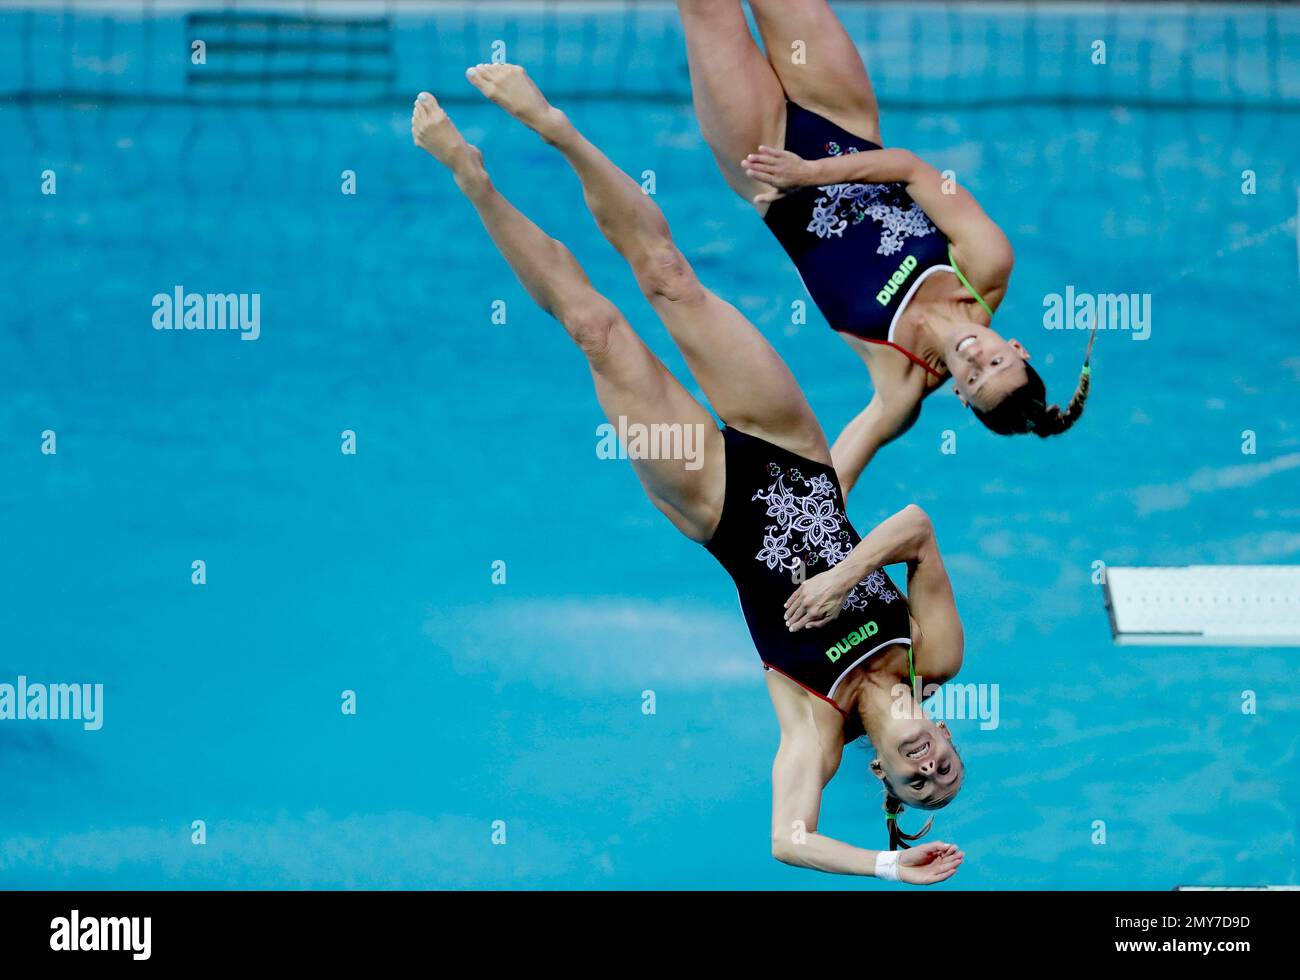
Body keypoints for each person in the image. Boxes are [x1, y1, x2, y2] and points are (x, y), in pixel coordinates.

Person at [412, 63, 966, 881]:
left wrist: (887, 868)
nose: (928, 766)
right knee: (669, 275)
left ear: (880, 773)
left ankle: (470, 174)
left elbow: (789, 840)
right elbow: (916, 528)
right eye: (944, 769)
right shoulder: (936, 655)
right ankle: (553, 124)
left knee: (597, 328)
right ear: (951, 737)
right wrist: (847, 575)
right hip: (799, 459)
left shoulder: (816, 730)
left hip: (716, 504)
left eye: (916, 782)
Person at [677, 0, 1094, 495]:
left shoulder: (898, 385)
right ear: (1017, 348)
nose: (976, 359)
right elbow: (911, 169)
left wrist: (815, 559)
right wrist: (809, 173)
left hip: (762, 159)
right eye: (997, 361)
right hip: (840, 118)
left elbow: (833, 482)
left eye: (976, 380)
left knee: (705, 8)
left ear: (960, 395)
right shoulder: (987, 264)